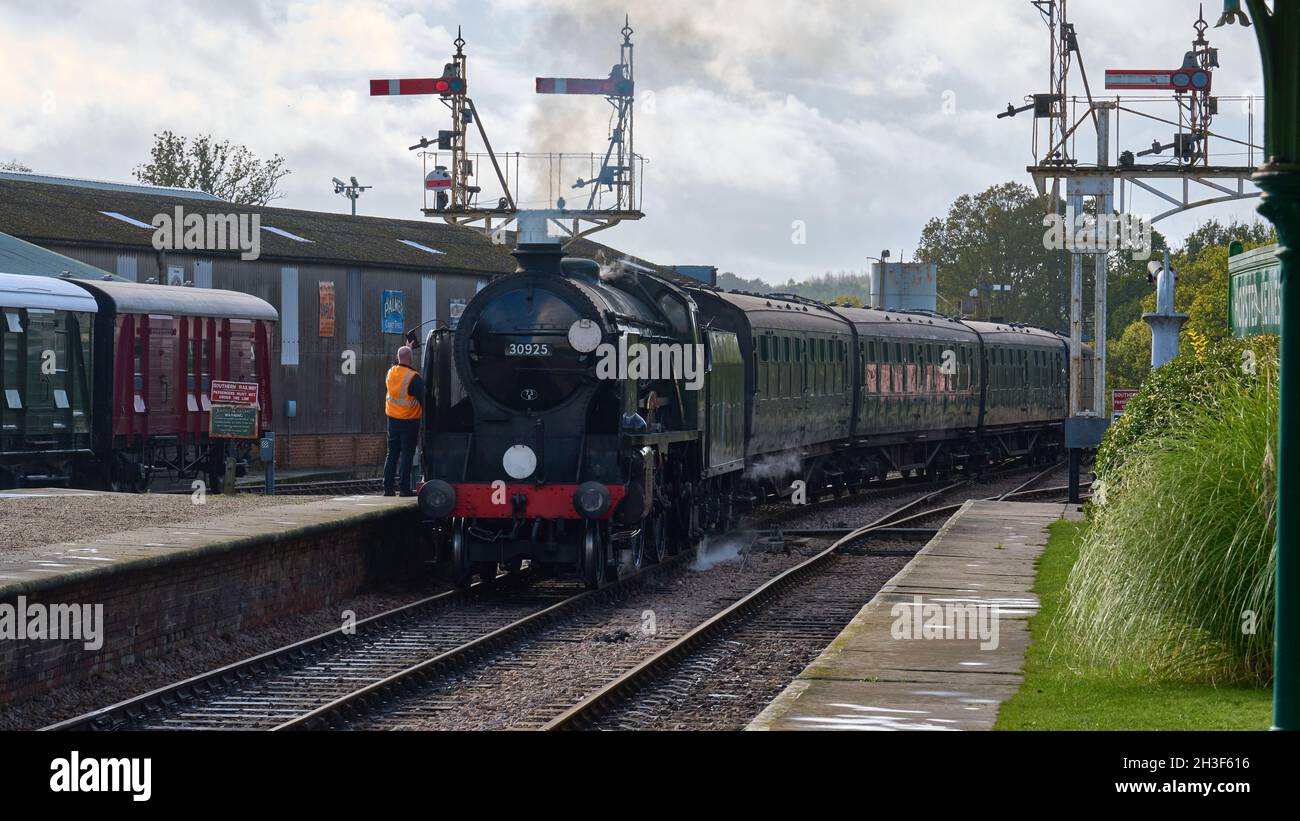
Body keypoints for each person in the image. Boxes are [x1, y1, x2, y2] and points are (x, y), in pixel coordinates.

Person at [383, 345, 424, 497]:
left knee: (392, 453)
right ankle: (404, 489)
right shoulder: (413, 377)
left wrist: (407, 347)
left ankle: (388, 488)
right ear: (411, 358)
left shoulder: (391, 372)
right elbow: (424, 400)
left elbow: (399, 360)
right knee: (407, 454)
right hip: (409, 421)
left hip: (392, 421)